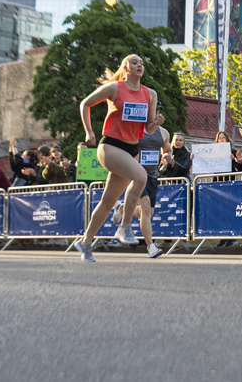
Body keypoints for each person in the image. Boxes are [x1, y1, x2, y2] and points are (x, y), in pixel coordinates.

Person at [73, 54, 160, 262]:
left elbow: (148, 129)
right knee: (141, 176)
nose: (140, 65)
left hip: (131, 149)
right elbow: (85, 103)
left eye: (142, 63)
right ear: (125, 68)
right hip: (110, 146)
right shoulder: (115, 88)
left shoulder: (150, 94)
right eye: (135, 62)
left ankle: (85, 242)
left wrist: (156, 122)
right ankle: (124, 227)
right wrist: (89, 132)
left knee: (107, 201)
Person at [109, 103, 172, 258]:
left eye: (157, 110)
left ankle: (122, 209)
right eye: (153, 111)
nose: (156, 113)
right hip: (136, 174)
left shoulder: (163, 133)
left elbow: (167, 149)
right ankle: (151, 247)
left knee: (148, 213)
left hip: (153, 175)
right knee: (145, 206)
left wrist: (167, 156)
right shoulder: (134, 130)